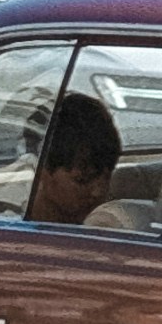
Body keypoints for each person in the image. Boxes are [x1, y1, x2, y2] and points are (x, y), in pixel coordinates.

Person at [28, 90, 121, 225]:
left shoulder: (109, 227)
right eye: (82, 180)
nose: (99, 191)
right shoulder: (9, 236)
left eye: (107, 177)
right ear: (41, 171)